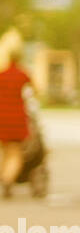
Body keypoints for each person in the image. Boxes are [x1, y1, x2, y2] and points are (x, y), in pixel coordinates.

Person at [0, 46, 32, 198]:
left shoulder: (2, 74)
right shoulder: (23, 74)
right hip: (17, 116)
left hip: (2, 116)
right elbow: (35, 91)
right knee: (16, 153)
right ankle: (7, 179)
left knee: (6, 151)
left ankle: (5, 175)